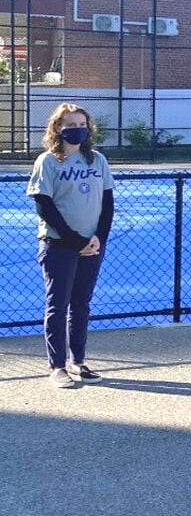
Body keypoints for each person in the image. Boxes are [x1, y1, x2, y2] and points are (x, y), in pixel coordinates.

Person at [27, 103, 115, 389]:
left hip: (92, 245)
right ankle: (57, 366)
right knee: (58, 305)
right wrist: (74, 240)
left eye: (81, 125)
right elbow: (44, 205)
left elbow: (107, 203)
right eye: (70, 125)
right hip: (59, 245)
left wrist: (98, 238)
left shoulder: (97, 160)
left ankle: (78, 361)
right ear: (58, 128)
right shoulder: (48, 161)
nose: (77, 130)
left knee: (81, 304)